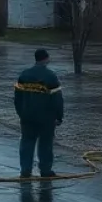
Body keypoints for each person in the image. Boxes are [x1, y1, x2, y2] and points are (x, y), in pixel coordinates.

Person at [13, 48, 64, 179]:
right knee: (45, 144)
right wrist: (59, 116)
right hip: (46, 118)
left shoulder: (24, 75)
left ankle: (25, 170)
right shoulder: (51, 76)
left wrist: (21, 113)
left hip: (27, 117)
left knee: (27, 142)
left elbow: (17, 98)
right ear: (46, 58)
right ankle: (45, 171)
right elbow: (57, 99)